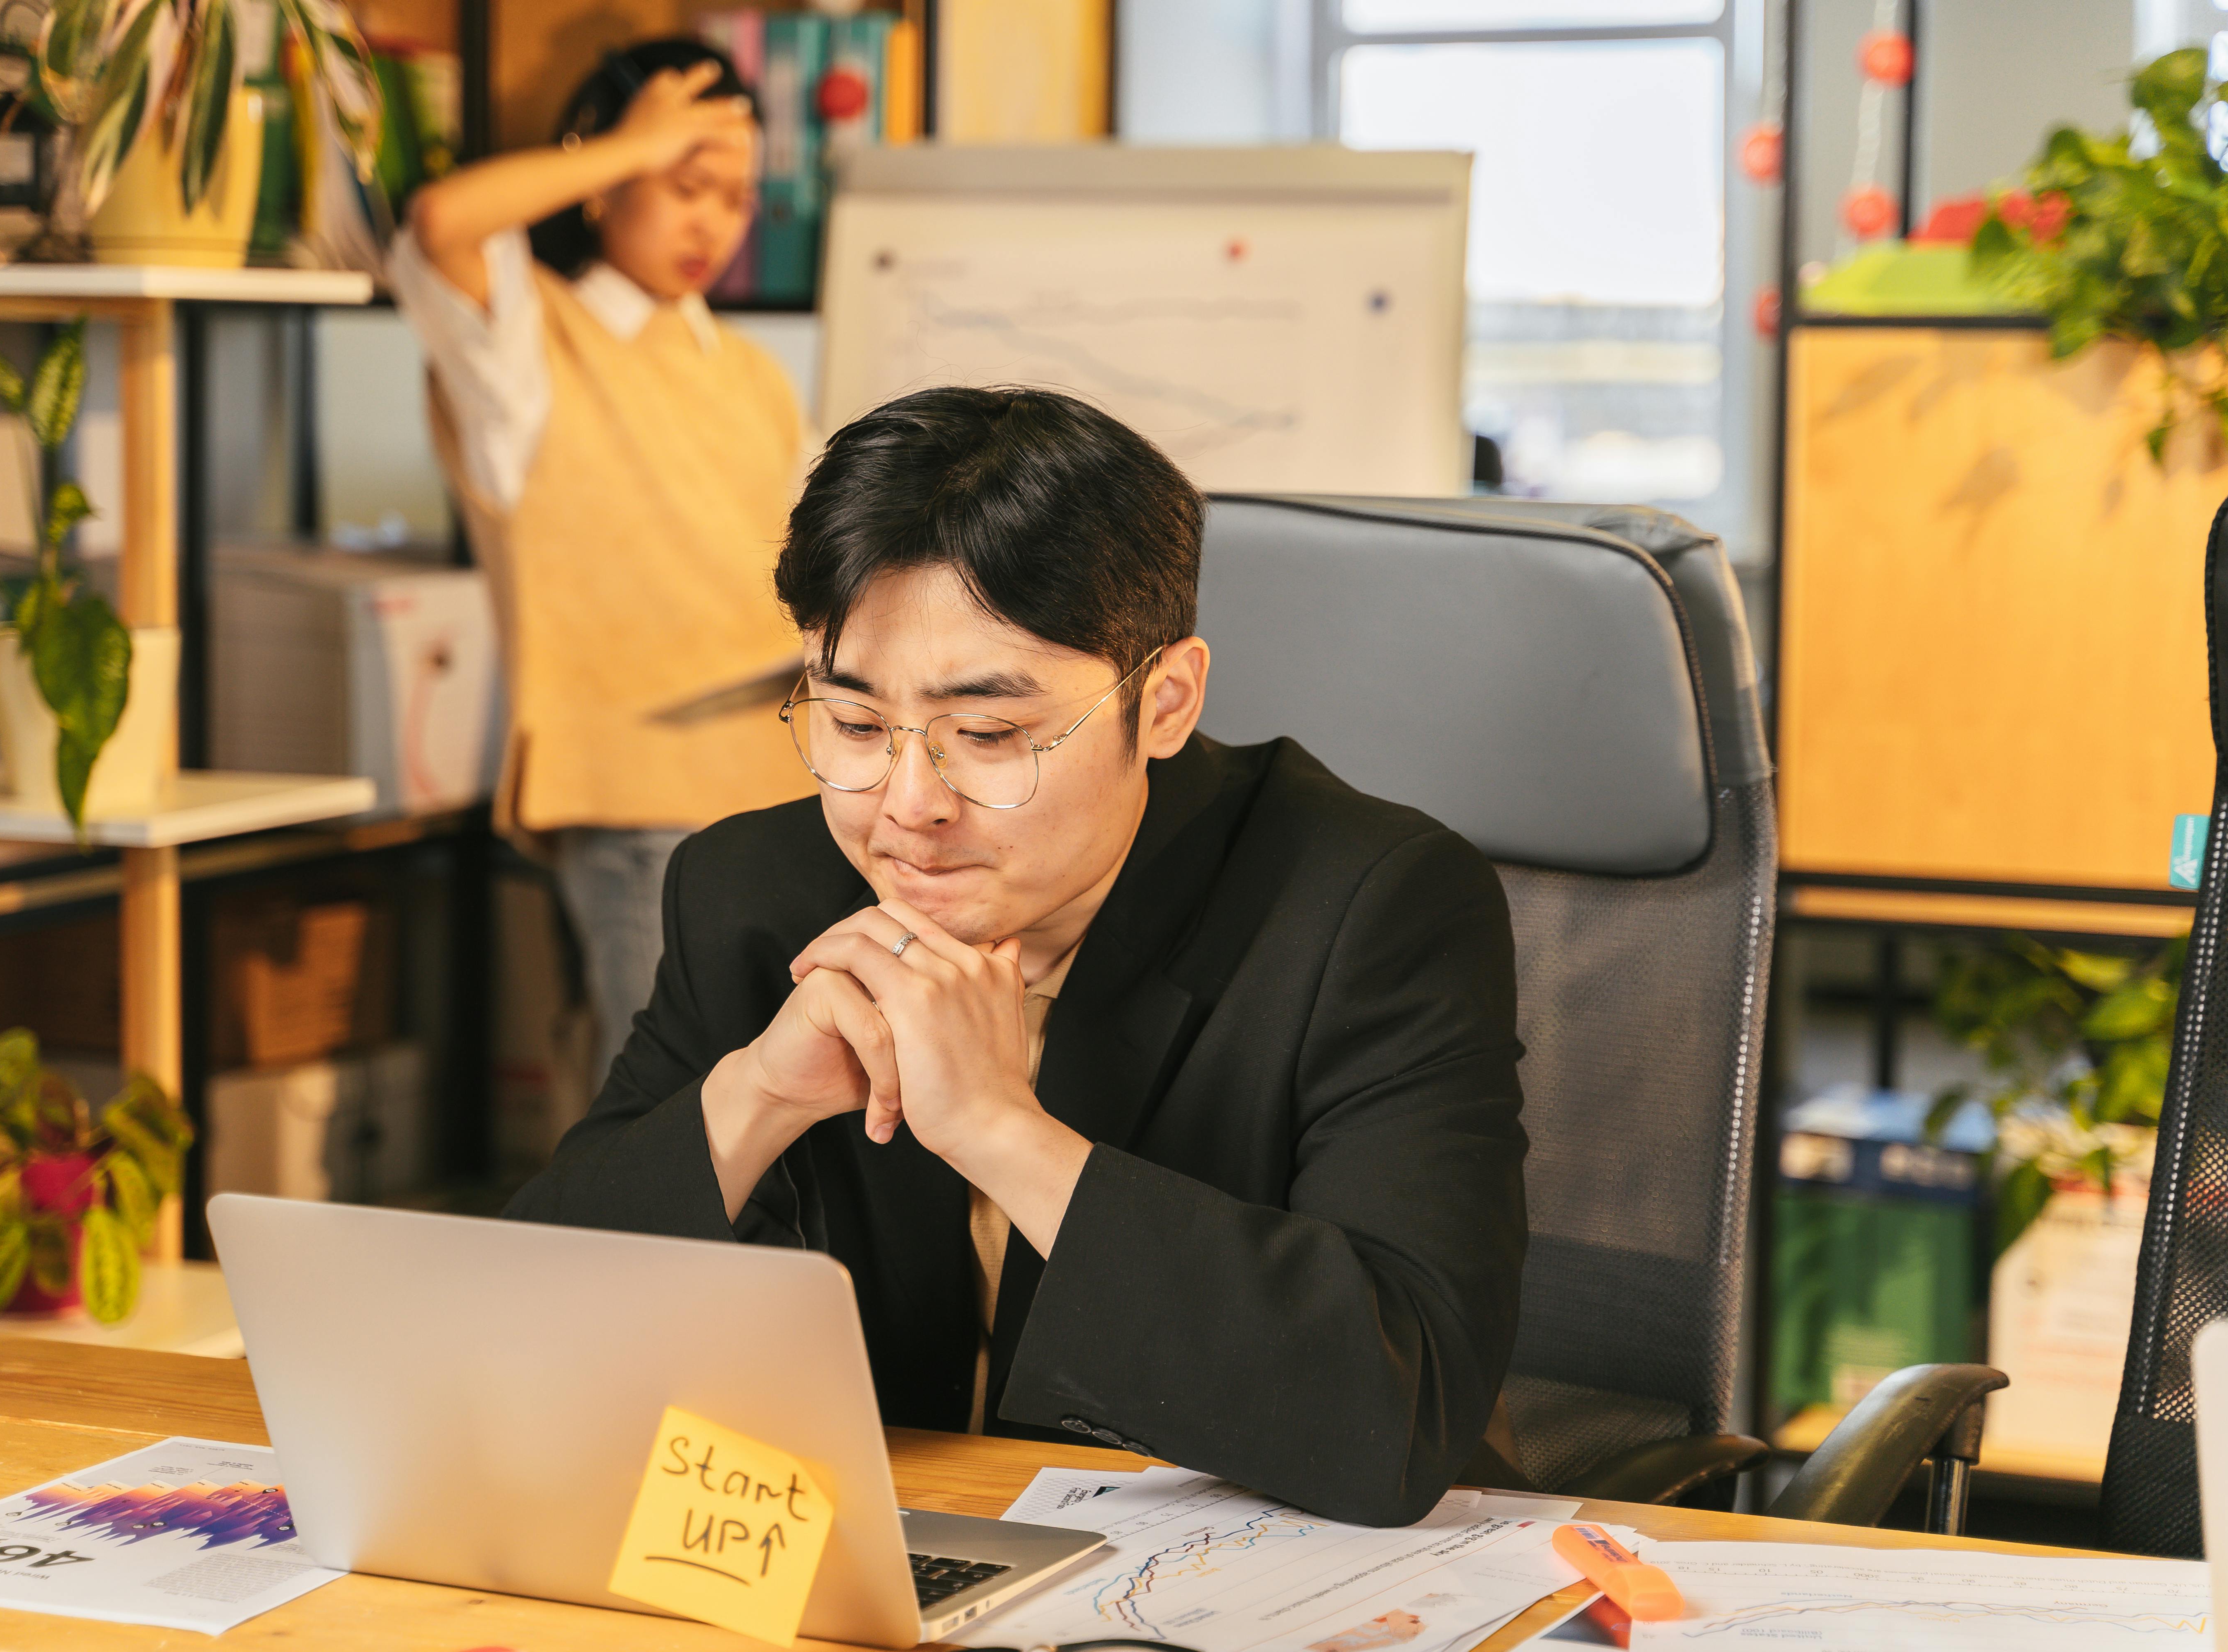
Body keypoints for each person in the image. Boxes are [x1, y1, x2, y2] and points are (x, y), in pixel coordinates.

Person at [507, 387, 1529, 1526]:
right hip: (885, 1567)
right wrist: (755, 1099)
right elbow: (518, 1349)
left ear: (1167, 702)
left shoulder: (1368, 909)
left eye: (988, 736)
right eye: (851, 724)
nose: (906, 807)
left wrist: (1004, 1133)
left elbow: (1398, 1416)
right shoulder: (755, 893)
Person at [388, 40, 810, 1080]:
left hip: (792, 799)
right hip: (636, 810)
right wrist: (631, 142)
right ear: (604, 177)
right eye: (682, 182)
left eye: (735, 194)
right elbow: (443, 223)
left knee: (787, 1134)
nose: (712, 220)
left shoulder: (752, 373)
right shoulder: (531, 345)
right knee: (672, 1126)